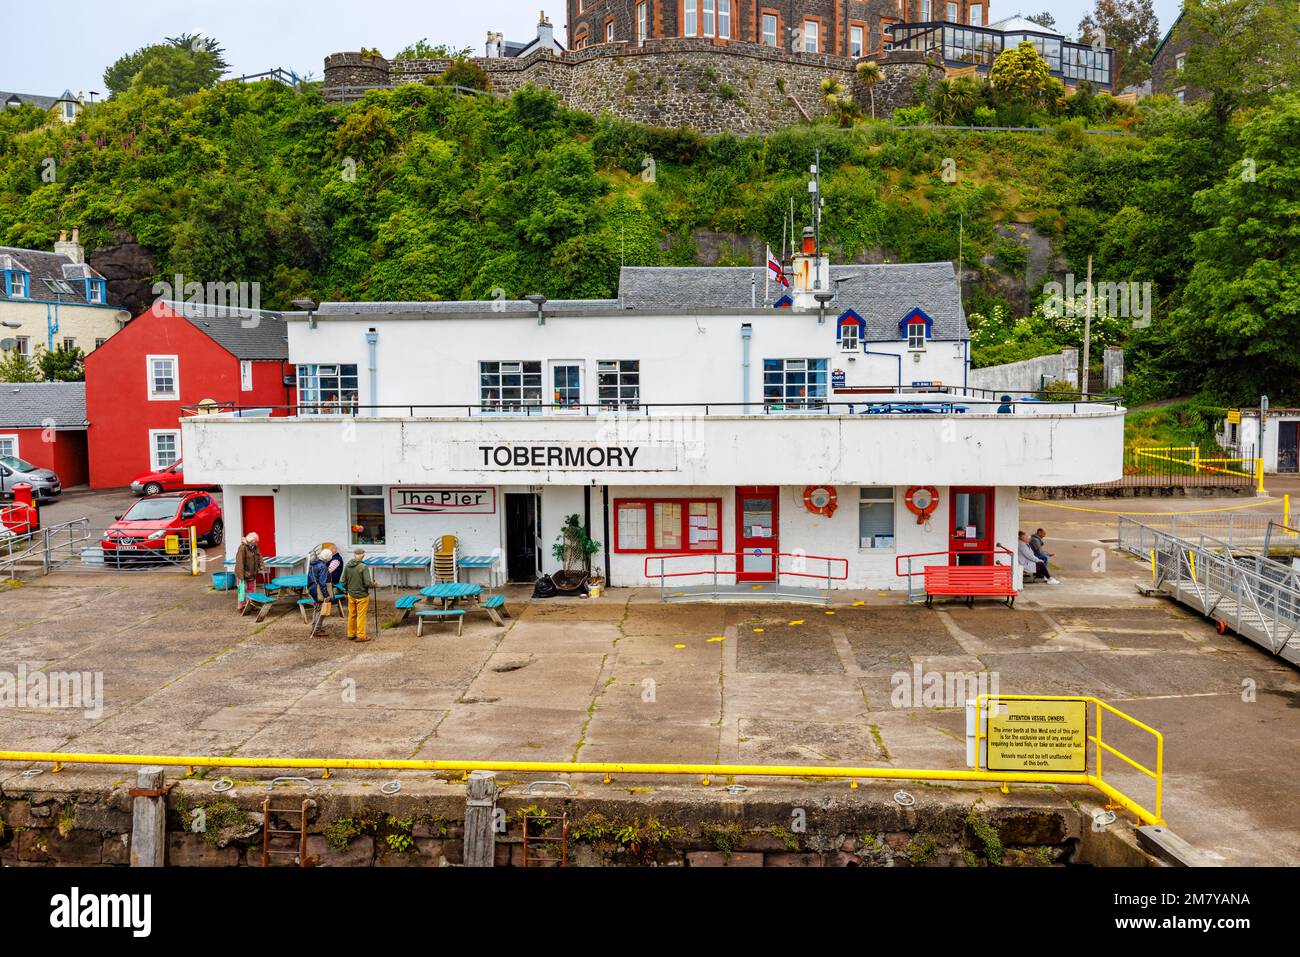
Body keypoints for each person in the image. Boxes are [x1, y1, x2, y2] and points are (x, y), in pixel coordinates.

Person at [342, 547, 375, 642]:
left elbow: (343, 581)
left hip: (351, 595)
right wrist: (374, 584)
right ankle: (361, 635)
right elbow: (367, 583)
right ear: (363, 556)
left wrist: (348, 589)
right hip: (362, 596)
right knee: (361, 616)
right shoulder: (363, 567)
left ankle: (351, 634)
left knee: (352, 615)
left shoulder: (348, 566)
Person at [234, 532, 265, 611]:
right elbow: (240, 562)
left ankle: (250, 604)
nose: (257, 543)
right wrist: (241, 576)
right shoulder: (243, 548)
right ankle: (241, 607)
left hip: (252, 573)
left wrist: (261, 565)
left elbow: (259, 555)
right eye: (256, 541)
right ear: (251, 541)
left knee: (251, 590)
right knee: (242, 590)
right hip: (243, 573)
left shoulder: (255, 547)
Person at [307, 548, 333, 637]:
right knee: (322, 609)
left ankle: (315, 627)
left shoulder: (314, 563)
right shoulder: (322, 566)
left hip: (311, 588)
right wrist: (326, 595)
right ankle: (317, 630)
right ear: (327, 558)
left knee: (317, 608)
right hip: (318, 590)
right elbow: (322, 583)